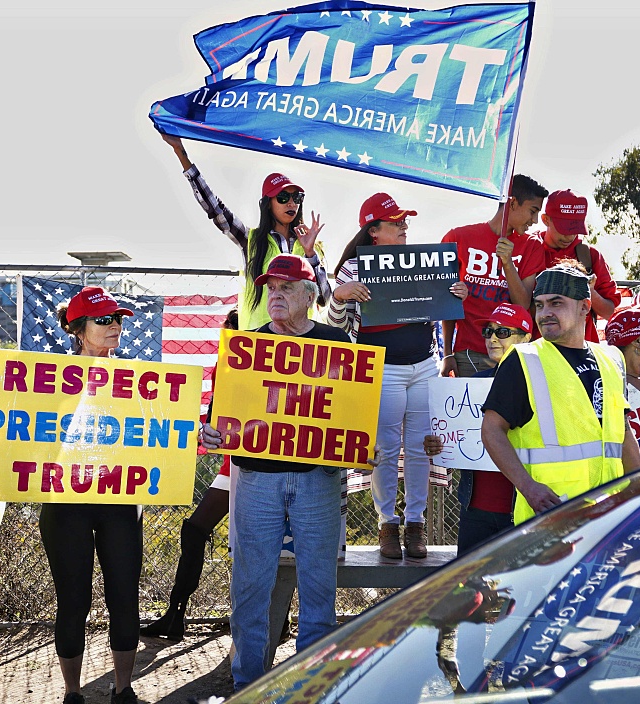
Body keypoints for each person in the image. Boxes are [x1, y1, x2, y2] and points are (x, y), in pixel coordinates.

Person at [200, 254, 349, 691]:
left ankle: (309, 690)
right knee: (249, 591)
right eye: (271, 288)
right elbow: (220, 418)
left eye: (286, 287)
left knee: (319, 593)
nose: (276, 294)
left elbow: (354, 414)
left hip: (318, 480)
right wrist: (212, 434)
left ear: (309, 295)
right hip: (256, 481)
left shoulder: (337, 343)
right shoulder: (246, 346)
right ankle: (249, 687)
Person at [327, 193, 467, 560]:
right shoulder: (354, 268)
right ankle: (387, 523)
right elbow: (335, 327)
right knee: (386, 449)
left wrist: (455, 294)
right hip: (383, 369)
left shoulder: (423, 262)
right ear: (374, 231)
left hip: (423, 364)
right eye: (396, 222)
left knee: (422, 447)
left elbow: (443, 309)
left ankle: (415, 523)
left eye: (405, 221)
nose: (405, 226)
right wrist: (339, 297)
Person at [37, 287, 141, 704]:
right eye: (103, 320)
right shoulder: (43, 380)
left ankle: (123, 690)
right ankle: (72, 693)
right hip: (66, 502)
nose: (114, 326)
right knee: (73, 599)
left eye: (118, 318)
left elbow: (161, 435)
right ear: (78, 330)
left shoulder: (139, 380)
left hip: (119, 498)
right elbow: (20, 428)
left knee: (124, 594)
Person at [480, 261, 640, 525]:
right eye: (540, 304)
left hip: (609, 516)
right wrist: (528, 488)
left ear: (584, 307)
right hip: (550, 519)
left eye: (556, 303)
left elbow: (623, 432)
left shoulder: (612, 359)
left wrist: (637, 492)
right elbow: (491, 430)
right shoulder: (523, 359)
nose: (545, 313)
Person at [161, 133, 330, 329]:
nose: (291, 202)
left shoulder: (312, 246)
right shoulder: (251, 240)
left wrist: (310, 254)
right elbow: (215, 209)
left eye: (297, 197)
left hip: (301, 342)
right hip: (259, 341)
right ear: (268, 204)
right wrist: (181, 154)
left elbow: (324, 298)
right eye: (283, 197)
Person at [142, 308, 238, 642]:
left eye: (228, 331)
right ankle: (175, 614)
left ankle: (275, 619)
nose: (223, 338)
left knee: (263, 544)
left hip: (267, 466)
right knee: (195, 529)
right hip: (237, 464)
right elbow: (215, 419)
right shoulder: (226, 366)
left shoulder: (250, 363)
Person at [441, 174, 547, 376]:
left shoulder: (533, 246)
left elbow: (523, 304)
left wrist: (508, 263)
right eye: (532, 211)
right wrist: (447, 353)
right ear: (513, 202)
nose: (534, 221)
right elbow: (447, 301)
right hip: (467, 355)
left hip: (512, 357)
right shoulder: (458, 238)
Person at [452, 303, 533, 553]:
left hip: (521, 510)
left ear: (527, 337)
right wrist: (441, 444)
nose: (493, 339)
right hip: (474, 511)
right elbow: (459, 441)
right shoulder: (471, 384)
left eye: (503, 332)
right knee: (468, 590)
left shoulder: (541, 384)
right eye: (488, 332)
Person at [539, 189, 620, 342]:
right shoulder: (529, 248)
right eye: (564, 228)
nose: (569, 236)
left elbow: (610, 313)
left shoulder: (590, 256)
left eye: (575, 229)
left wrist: (590, 292)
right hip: (536, 350)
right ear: (545, 219)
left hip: (580, 352)